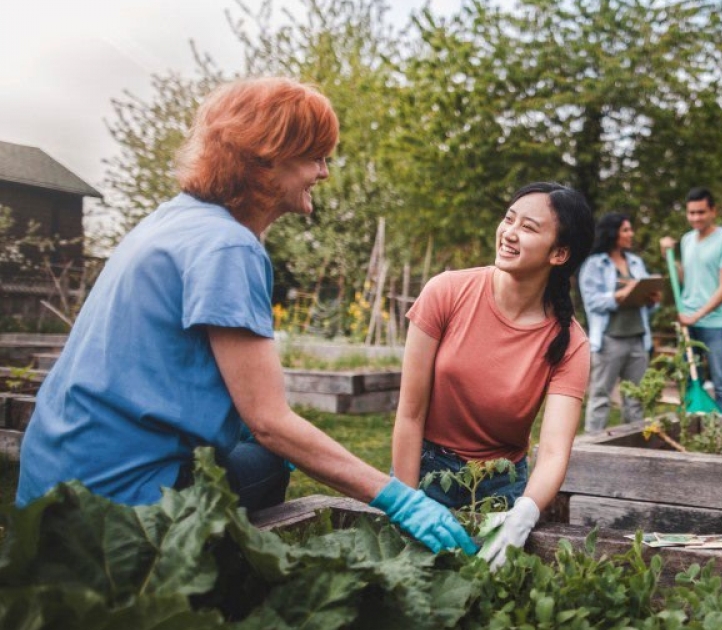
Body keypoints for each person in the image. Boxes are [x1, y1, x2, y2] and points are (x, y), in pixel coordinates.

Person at [16, 77, 475, 555]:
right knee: (270, 459)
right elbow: (270, 421)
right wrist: (399, 499)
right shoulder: (227, 246)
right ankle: (198, 583)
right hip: (115, 505)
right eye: (315, 157)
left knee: (257, 456)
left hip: (52, 484)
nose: (323, 173)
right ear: (268, 157)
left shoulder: (172, 219)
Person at [391, 182, 594, 569]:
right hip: (424, 469)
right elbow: (410, 413)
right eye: (508, 219)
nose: (510, 233)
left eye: (529, 228)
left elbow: (553, 451)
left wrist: (525, 514)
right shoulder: (446, 292)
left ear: (559, 253)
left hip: (500, 488)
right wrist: (406, 500)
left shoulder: (570, 344)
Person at [658, 187, 722, 414]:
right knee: (689, 379)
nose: (695, 218)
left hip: (714, 322)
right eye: (691, 213)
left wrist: (697, 315)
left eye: (701, 212)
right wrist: (670, 258)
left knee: (721, 381)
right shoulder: (687, 240)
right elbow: (686, 278)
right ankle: (694, 429)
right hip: (688, 321)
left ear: (713, 211)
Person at [579, 213, 661, 432]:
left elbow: (645, 298)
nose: (630, 234)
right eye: (625, 230)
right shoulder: (594, 264)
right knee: (600, 396)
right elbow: (592, 301)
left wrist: (652, 299)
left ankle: (633, 447)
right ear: (612, 233)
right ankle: (592, 446)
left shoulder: (635, 262)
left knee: (636, 399)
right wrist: (620, 295)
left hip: (638, 339)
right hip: (609, 341)